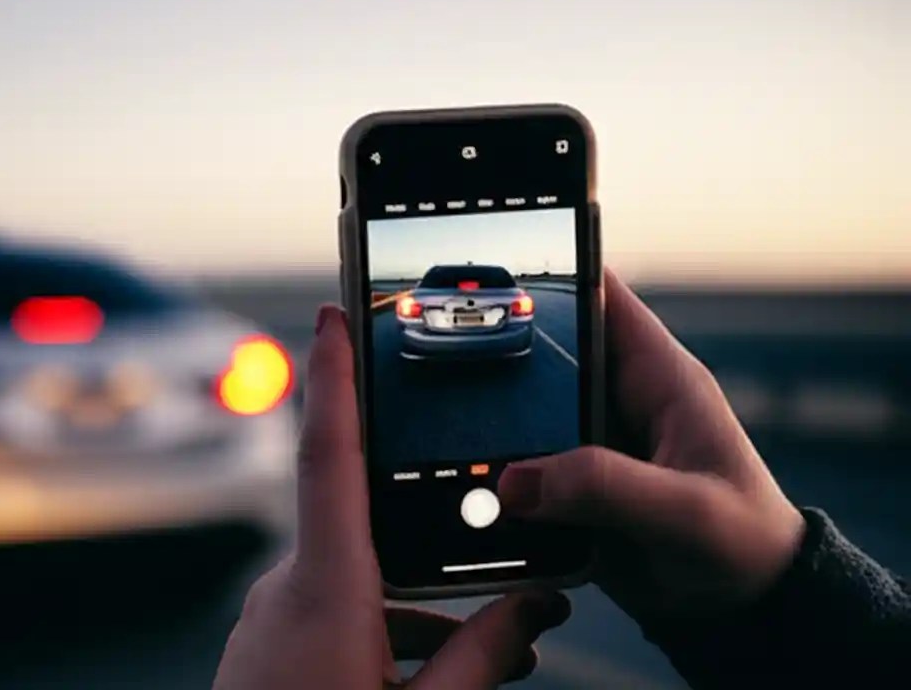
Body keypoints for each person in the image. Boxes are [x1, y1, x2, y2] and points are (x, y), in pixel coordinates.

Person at [214, 269, 909, 689]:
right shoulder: (506, 302)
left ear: (522, 307)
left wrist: (775, 598)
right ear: (411, 306)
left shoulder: (420, 302)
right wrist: (782, 599)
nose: (466, 304)